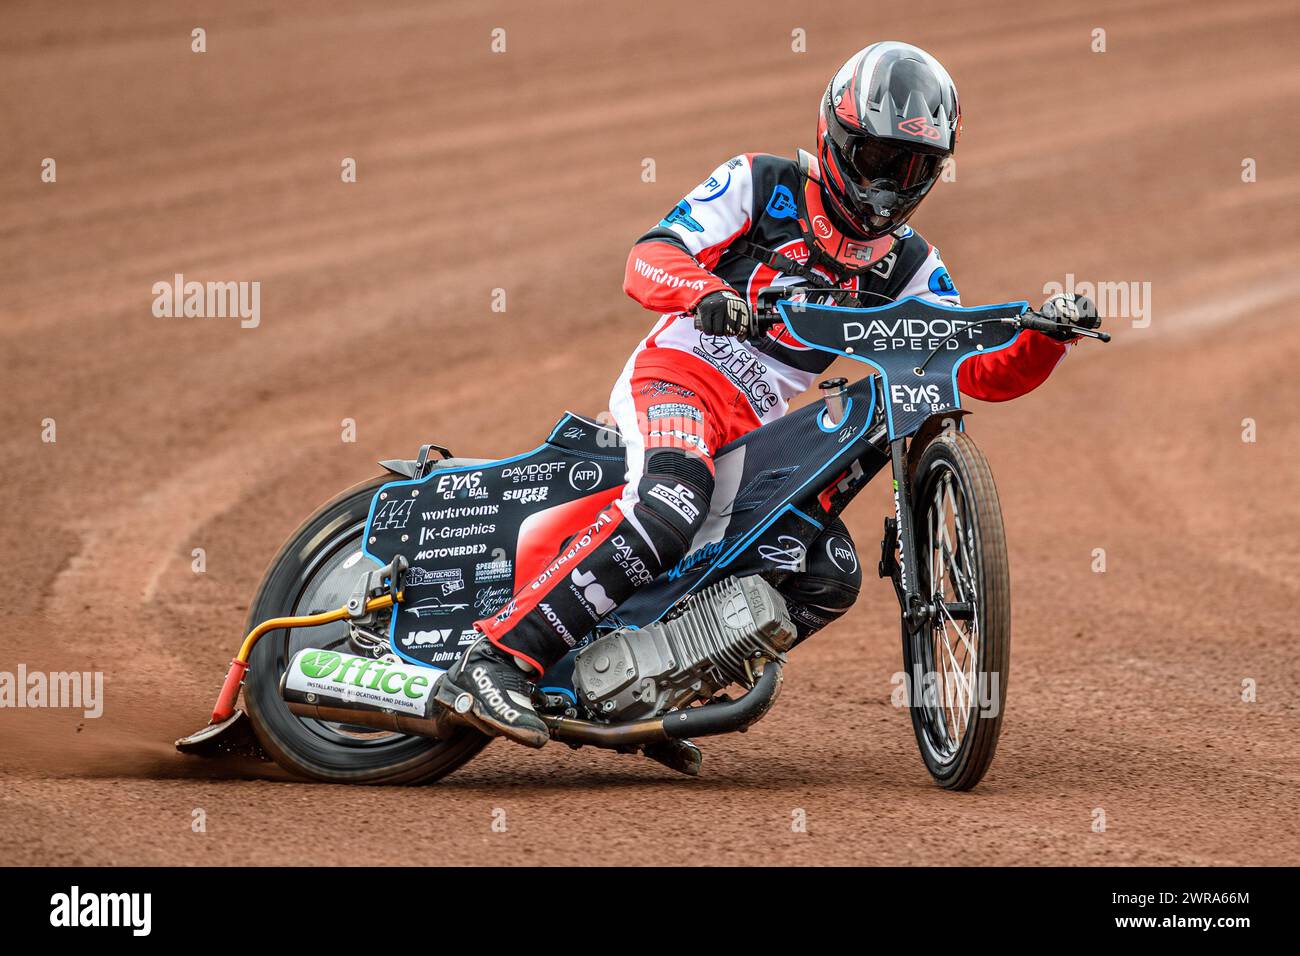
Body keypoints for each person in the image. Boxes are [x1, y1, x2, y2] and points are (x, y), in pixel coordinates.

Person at [438, 41, 1096, 749]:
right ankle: (496, 658)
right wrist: (706, 291)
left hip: (753, 430)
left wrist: (1046, 338)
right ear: (836, 138)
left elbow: (967, 369)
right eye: (878, 160)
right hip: (678, 378)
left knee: (826, 571)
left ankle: (649, 681)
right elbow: (649, 257)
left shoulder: (911, 266)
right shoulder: (761, 183)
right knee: (672, 501)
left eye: (914, 169)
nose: (889, 186)